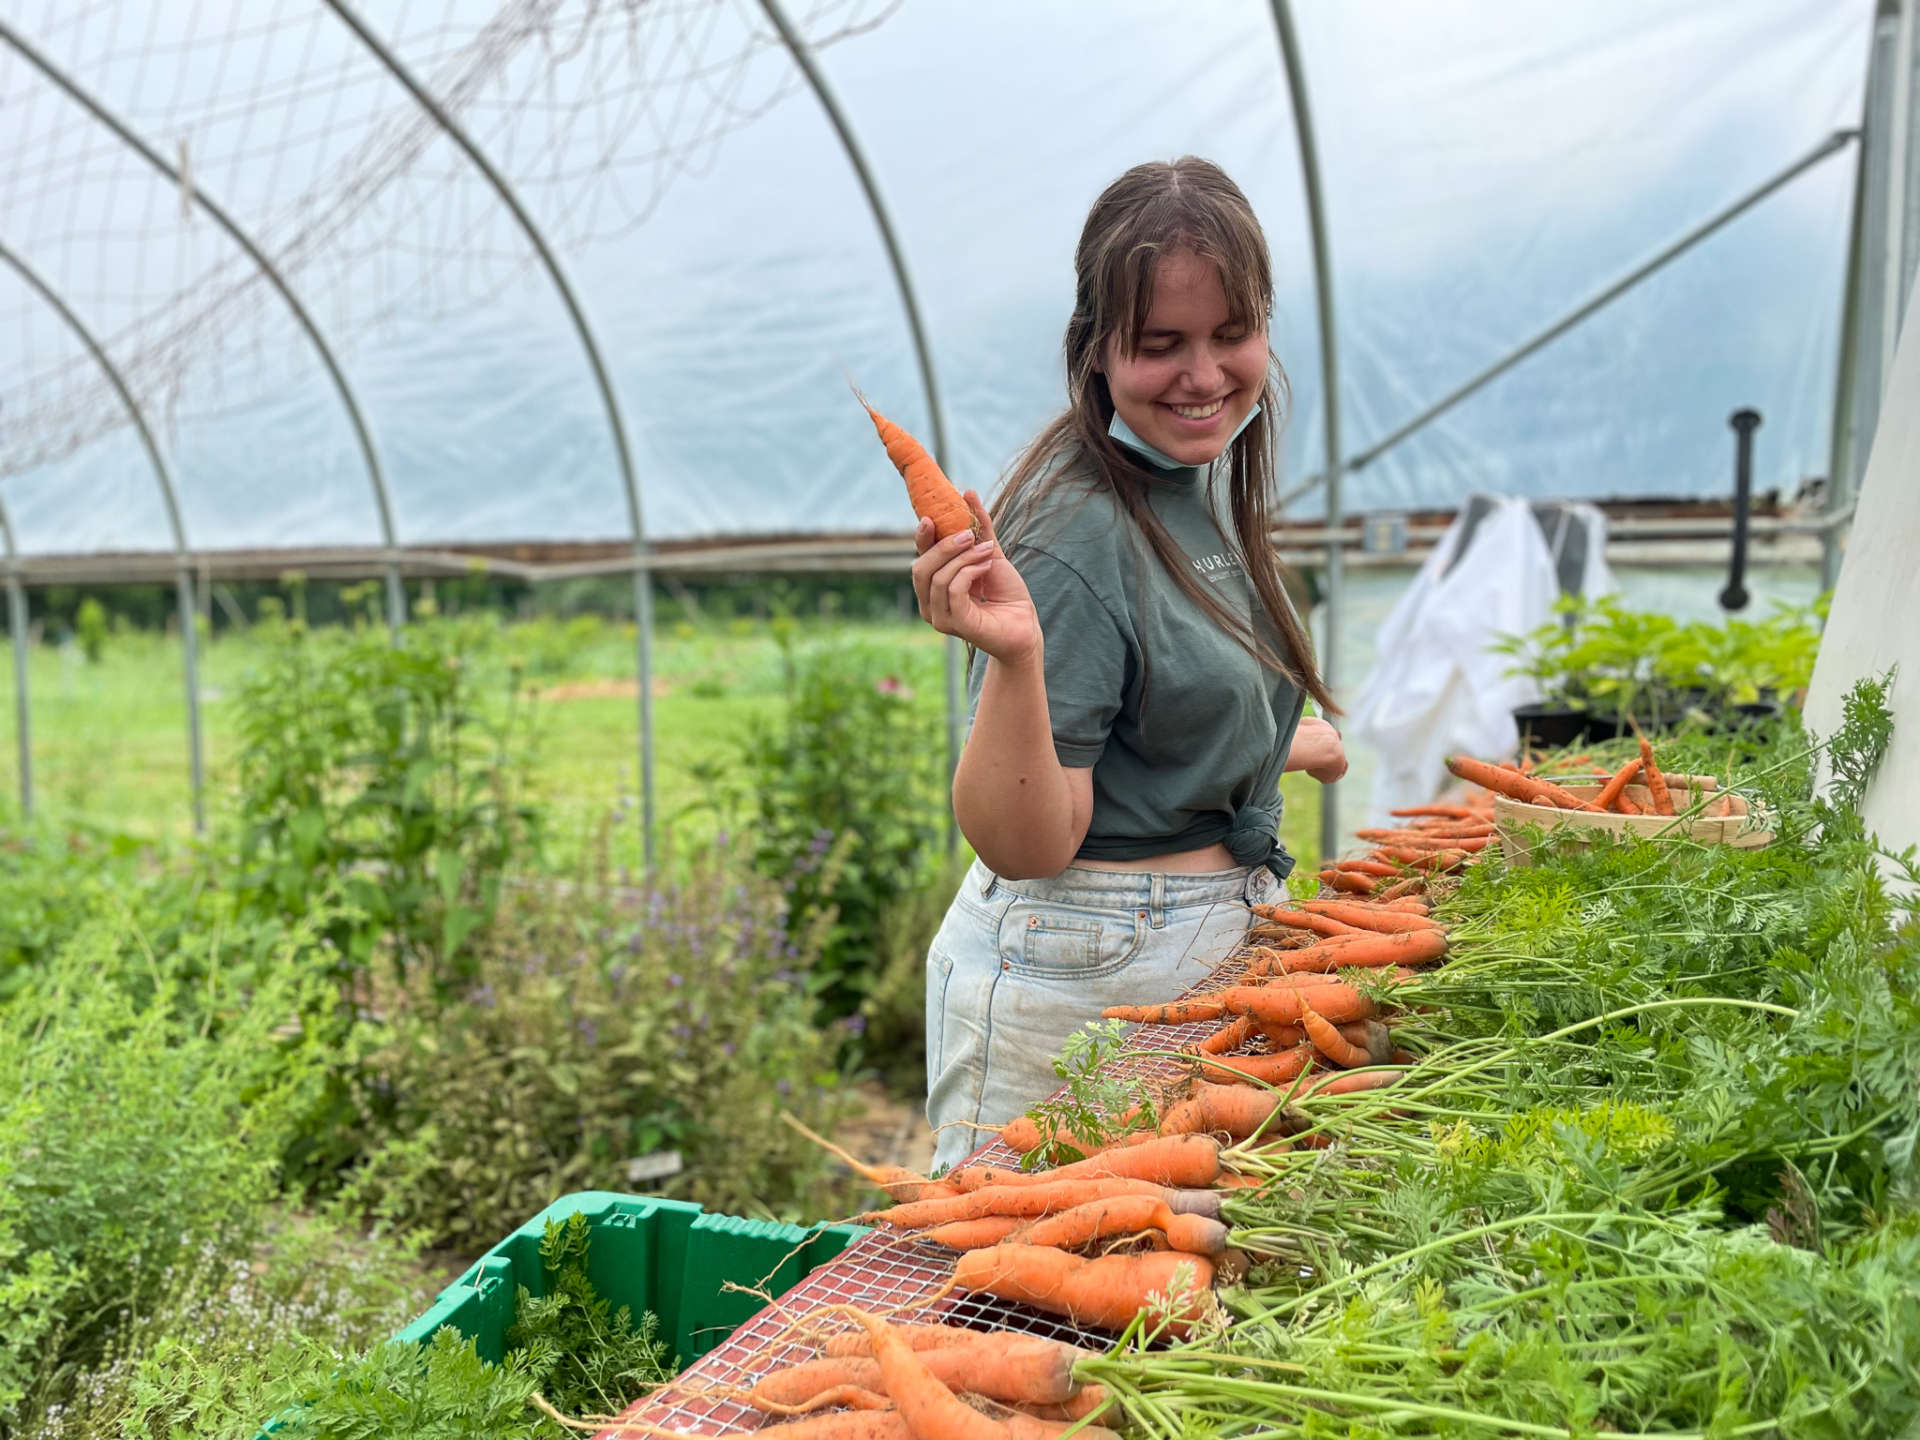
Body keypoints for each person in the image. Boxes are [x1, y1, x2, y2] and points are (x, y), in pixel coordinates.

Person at [910, 157, 1346, 1171]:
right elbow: (1025, 840)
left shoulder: (1185, 482)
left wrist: (1280, 744)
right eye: (1163, 345)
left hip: (1171, 950)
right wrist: (1016, 661)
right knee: (1011, 1304)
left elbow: (1148, 712)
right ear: (1098, 350)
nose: (1204, 375)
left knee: (1157, 1299)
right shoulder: (1074, 528)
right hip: (1084, 972)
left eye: (1230, 335)